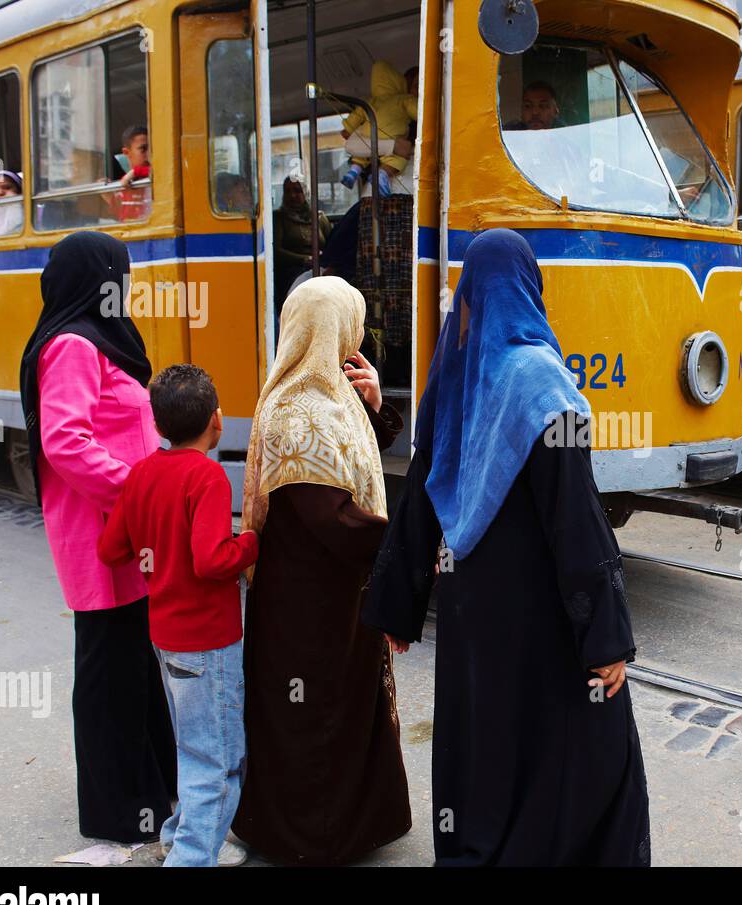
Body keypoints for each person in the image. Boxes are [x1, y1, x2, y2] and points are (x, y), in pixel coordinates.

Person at [363, 229, 651, 866]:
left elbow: (422, 488)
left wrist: (397, 606)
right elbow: (576, 520)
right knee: (583, 741)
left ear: (470, 297)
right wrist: (605, 639)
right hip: (538, 606)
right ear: (530, 290)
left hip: (471, 606)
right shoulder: (544, 382)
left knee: (485, 736)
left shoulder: (456, 370)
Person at [233, 276, 410, 865]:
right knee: (315, 712)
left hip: (336, 590)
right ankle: (314, 835)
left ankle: (357, 819)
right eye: (351, 323)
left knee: (343, 703)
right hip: (307, 602)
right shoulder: (295, 409)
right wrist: (404, 542)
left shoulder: (327, 393)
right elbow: (331, 515)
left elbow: (358, 452)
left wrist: (377, 405)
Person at [17, 231, 176, 844]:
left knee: (134, 663)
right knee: (111, 672)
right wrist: (139, 490)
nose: (126, 287)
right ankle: (119, 810)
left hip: (124, 529)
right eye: (118, 276)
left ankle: (154, 791)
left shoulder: (98, 339)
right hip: (101, 531)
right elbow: (65, 443)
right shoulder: (74, 346)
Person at [97, 364, 259, 867]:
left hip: (164, 637)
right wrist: (251, 542)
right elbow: (212, 560)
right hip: (208, 642)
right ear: (216, 420)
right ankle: (191, 856)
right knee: (219, 760)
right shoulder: (207, 477)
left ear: (159, 425)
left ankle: (180, 833)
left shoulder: (143, 471)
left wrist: (154, 547)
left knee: (191, 745)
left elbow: (110, 549)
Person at [339, 63, 419, 191]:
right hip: (379, 195)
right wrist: (393, 146)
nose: (419, 91)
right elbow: (351, 145)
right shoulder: (374, 120)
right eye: (416, 86)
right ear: (402, 88)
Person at [272, 176, 331, 313]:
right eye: (288, 191)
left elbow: (331, 245)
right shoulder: (279, 218)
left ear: (306, 193)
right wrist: (304, 259)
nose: (292, 195)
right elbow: (276, 251)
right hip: (292, 270)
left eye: (297, 191)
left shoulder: (319, 218)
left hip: (321, 267)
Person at [106, 125, 152, 222]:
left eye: (152, 148)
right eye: (143, 149)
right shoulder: (125, 180)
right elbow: (121, 214)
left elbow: (157, 171)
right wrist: (109, 196)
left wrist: (135, 171)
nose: (149, 154)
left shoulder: (150, 174)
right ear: (126, 152)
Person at [0, 169, 23, 237]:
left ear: (19, 190)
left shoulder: (25, 208)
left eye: (7, 187)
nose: (1, 192)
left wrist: (14, 202)